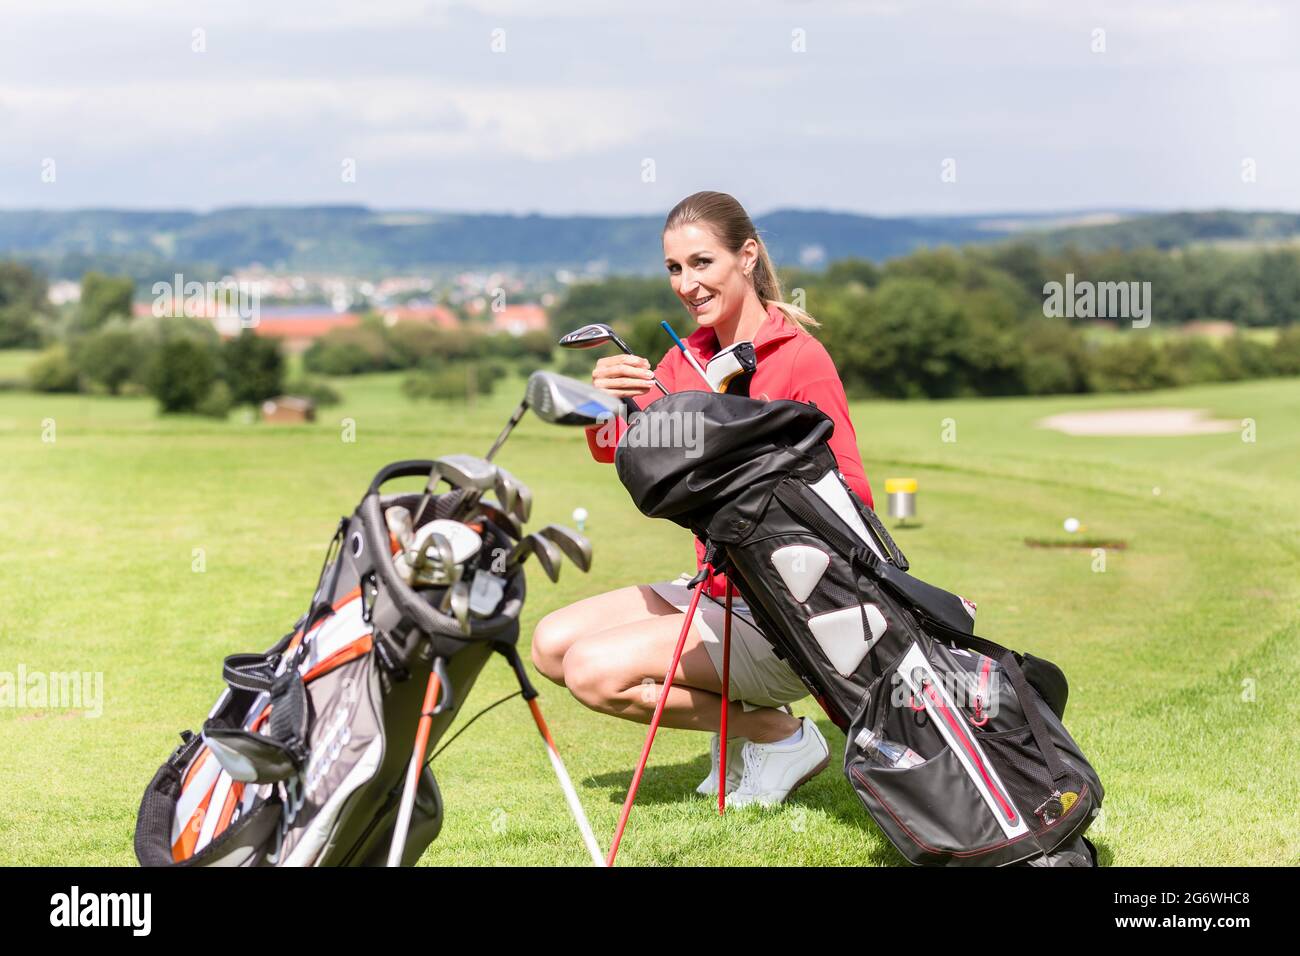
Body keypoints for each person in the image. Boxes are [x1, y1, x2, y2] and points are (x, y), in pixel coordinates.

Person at [531, 190, 873, 806]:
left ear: (746, 256)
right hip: (717, 588)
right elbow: (619, 448)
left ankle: (777, 735)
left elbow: (851, 500)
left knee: (592, 671)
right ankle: (742, 731)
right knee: (551, 646)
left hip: (788, 610)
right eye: (674, 268)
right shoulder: (686, 357)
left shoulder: (799, 359)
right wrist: (604, 405)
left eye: (701, 263)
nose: (686, 283)